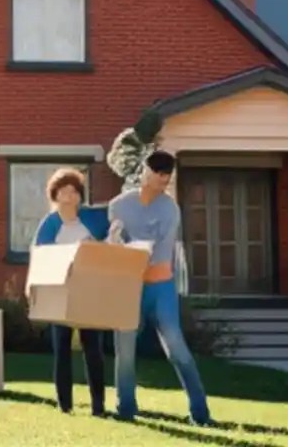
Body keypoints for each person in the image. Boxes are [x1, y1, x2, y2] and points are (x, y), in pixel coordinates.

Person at [108, 150, 211, 426]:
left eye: (168, 174)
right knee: (125, 349)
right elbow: (114, 244)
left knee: (176, 348)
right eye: (159, 172)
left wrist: (134, 252)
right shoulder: (119, 205)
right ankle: (126, 409)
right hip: (130, 288)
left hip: (161, 287)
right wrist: (115, 240)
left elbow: (160, 252)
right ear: (145, 170)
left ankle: (200, 413)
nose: (163, 178)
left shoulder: (169, 209)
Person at [30, 168, 109, 416]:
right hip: (60, 290)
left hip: (88, 289)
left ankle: (99, 406)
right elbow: (40, 256)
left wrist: (96, 245)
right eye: (64, 191)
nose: (69, 196)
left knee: (93, 347)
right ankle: (65, 405)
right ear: (55, 195)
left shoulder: (92, 219)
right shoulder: (50, 223)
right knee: (62, 348)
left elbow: (113, 230)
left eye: (74, 191)